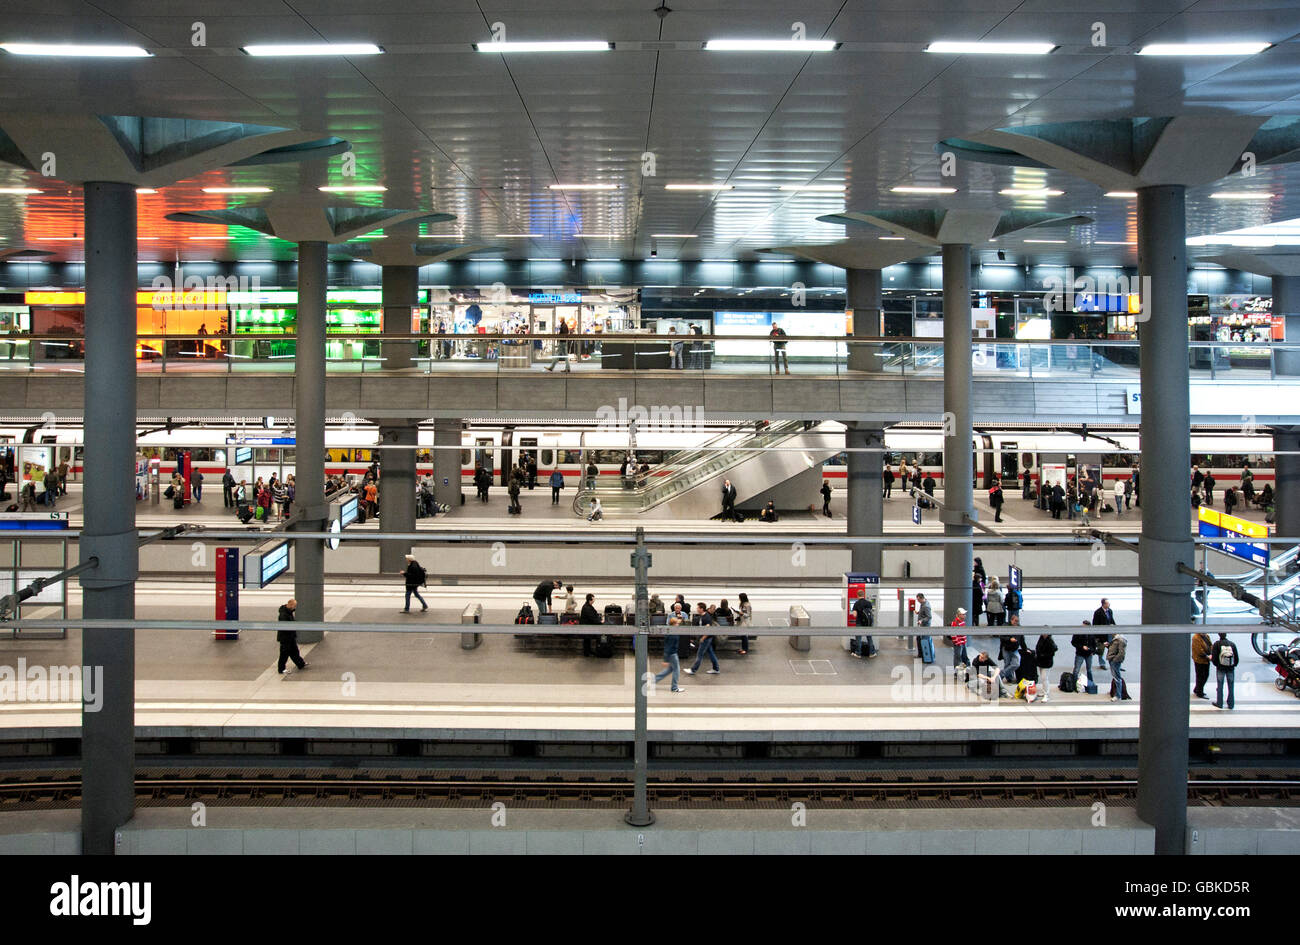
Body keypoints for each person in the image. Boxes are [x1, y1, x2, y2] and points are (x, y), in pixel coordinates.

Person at [684, 602, 720, 674]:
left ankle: (693, 670)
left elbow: (708, 630)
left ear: (702, 609)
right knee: (711, 653)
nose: (697, 609)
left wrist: (702, 638)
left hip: (706, 639)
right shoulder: (702, 616)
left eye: (698, 608)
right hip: (706, 638)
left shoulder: (707, 617)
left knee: (699, 654)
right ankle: (716, 669)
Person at [654, 615, 686, 692]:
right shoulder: (673, 635)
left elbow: (680, 621)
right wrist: (665, 659)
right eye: (677, 624)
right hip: (672, 654)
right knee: (676, 670)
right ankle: (674, 687)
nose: (678, 625)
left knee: (669, 669)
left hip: (671, 653)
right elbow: (668, 647)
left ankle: (653, 680)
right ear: (674, 624)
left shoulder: (670, 630)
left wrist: (681, 619)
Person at [276, 598, 308, 675]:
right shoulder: (284, 615)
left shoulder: (288, 612)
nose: (295, 607)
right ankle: (281, 669)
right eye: (295, 606)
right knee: (284, 654)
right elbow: (286, 627)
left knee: (294, 651)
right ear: (291, 605)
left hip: (290, 636)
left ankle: (301, 664)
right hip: (285, 638)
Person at [1211, 632, 1239, 710]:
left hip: (1220, 668)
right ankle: (1231, 704)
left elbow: (1214, 658)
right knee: (1231, 686)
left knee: (1220, 685)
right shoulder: (1232, 644)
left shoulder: (1217, 644)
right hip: (1230, 668)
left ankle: (1219, 703)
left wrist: (1217, 665)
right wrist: (1233, 665)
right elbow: (1236, 657)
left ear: (1219, 635)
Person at [848, 588, 875, 658]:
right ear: (864, 595)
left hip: (859, 623)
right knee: (869, 638)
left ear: (857, 595)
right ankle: (872, 653)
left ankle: (858, 653)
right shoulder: (869, 603)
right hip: (868, 623)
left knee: (858, 638)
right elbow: (871, 612)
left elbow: (854, 615)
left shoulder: (856, 603)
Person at [1091, 598, 1115, 669]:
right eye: (1107, 603)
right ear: (1104, 604)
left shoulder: (1110, 611)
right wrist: (1097, 636)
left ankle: (1113, 663)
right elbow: (1095, 624)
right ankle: (1102, 663)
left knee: (1112, 649)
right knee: (1101, 650)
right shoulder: (1098, 612)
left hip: (1109, 634)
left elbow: (1112, 620)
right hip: (1101, 635)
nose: (1109, 604)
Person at [1071, 625, 1096, 690]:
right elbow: (1073, 642)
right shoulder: (1078, 633)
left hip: (1089, 654)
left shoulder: (1091, 633)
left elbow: (1094, 643)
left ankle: (1090, 685)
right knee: (1076, 670)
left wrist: (1093, 651)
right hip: (1080, 654)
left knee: (1089, 670)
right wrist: (1082, 646)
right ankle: (1074, 685)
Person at [1034, 634, 1057, 703]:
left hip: (1047, 662)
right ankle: (1044, 692)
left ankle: (1046, 694)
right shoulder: (1041, 638)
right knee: (1043, 678)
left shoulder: (1050, 641)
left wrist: (1042, 655)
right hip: (1041, 661)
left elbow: (1053, 651)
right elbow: (1037, 647)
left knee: (1045, 678)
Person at [1107, 633, 1129, 701]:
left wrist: (1115, 660)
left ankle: (1118, 695)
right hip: (1112, 659)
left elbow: (1121, 652)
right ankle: (1116, 692)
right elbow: (1114, 648)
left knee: (1117, 678)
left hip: (1114, 661)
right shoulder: (1116, 639)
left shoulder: (1120, 640)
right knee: (1116, 677)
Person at [1192, 630, 1213, 700]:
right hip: (1199, 660)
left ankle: (1197, 688)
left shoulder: (1206, 636)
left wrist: (1212, 653)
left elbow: (1210, 645)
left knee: (1205, 675)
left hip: (1206, 659)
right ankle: (1199, 692)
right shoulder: (1195, 638)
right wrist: (1207, 656)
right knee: (1201, 676)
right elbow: (1199, 650)